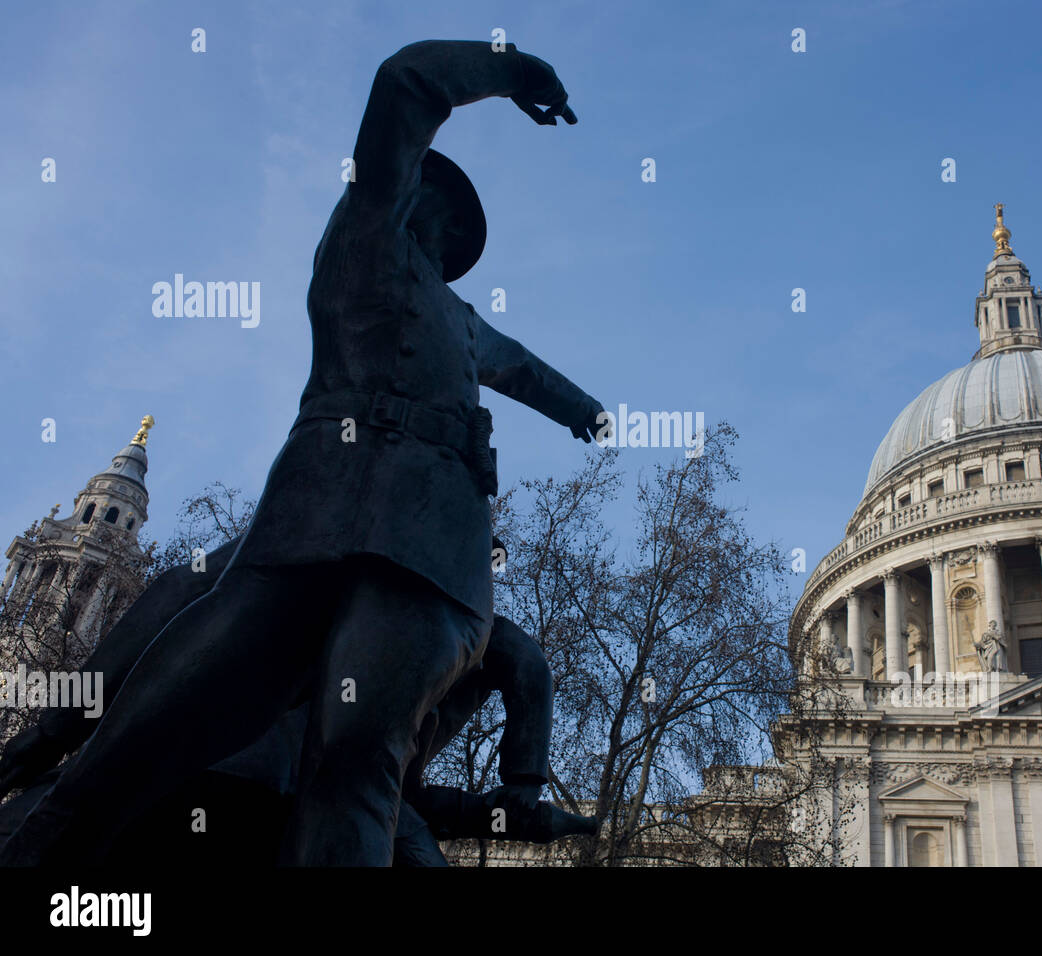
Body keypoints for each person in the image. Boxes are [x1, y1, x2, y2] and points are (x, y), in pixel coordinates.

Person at [1, 39, 600, 866]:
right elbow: (404, 82)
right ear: (416, 191)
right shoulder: (364, 236)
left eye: (464, 223)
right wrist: (514, 72)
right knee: (150, 730)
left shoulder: (461, 321)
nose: (456, 225)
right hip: (317, 513)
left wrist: (589, 414)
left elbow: (522, 366)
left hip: (430, 546)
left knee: (357, 763)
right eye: (448, 203)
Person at [0, 539, 595, 865]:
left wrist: (51, 733)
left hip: (186, 770)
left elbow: (179, 588)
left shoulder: (313, 549)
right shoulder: (459, 623)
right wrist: (523, 787)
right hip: (310, 801)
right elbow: (528, 665)